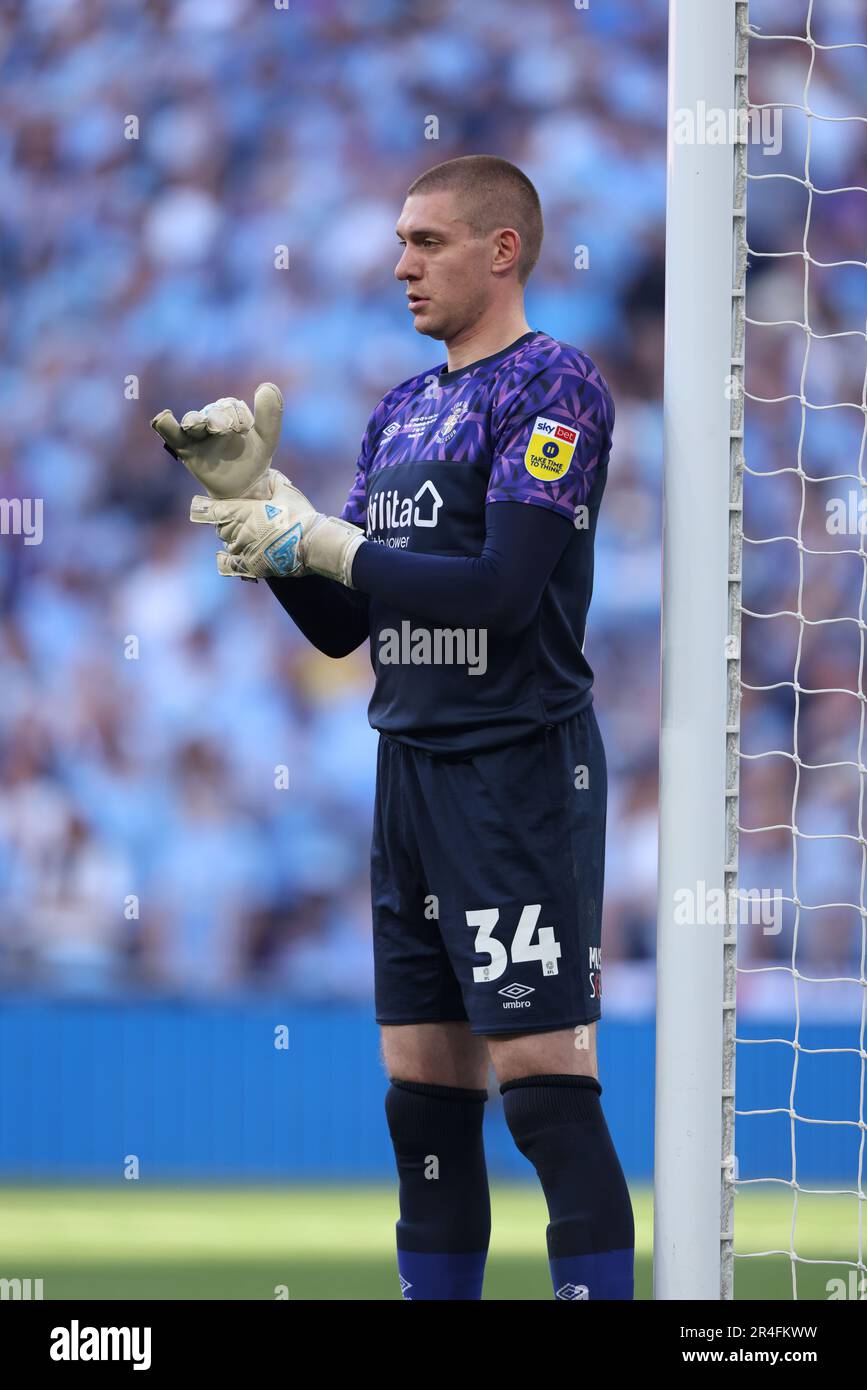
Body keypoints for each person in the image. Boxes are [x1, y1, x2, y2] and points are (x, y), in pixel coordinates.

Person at [152, 154, 634, 1301]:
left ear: (502, 249)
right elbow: (343, 625)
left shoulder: (553, 387)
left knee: (545, 1096)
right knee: (421, 1102)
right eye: (400, 241)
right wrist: (267, 523)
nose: (402, 264)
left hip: (518, 772)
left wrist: (331, 544)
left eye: (428, 242)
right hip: (409, 775)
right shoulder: (401, 411)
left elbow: (502, 589)